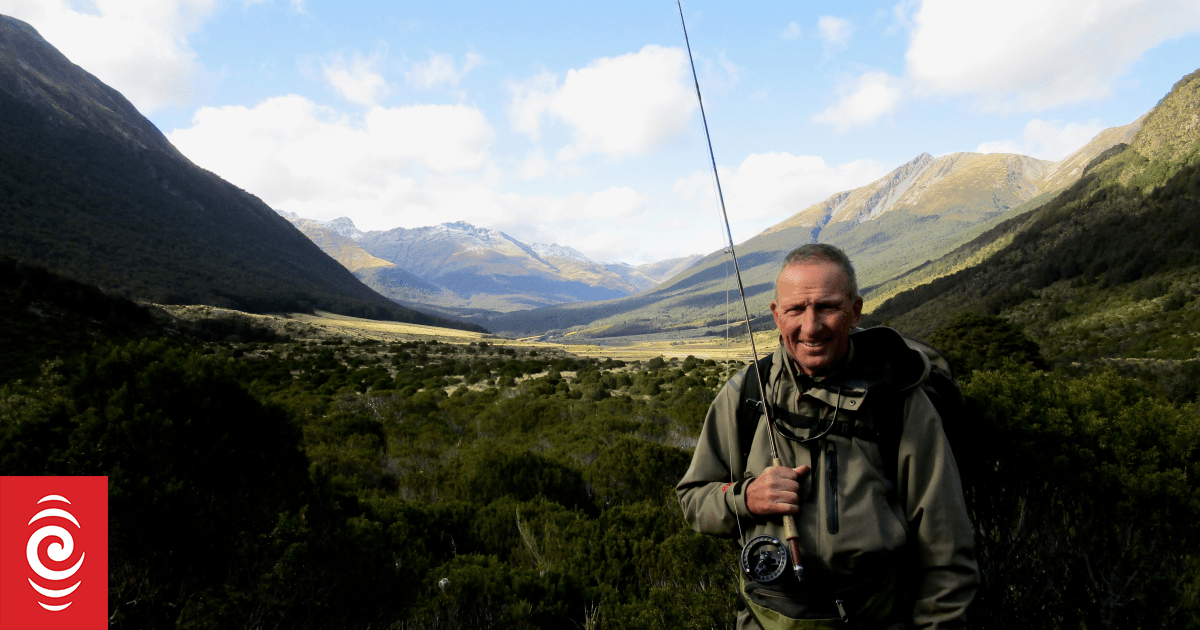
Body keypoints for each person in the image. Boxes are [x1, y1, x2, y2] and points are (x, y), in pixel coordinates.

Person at [676, 244, 978, 630]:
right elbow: (693, 499)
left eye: (827, 307)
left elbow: (946, 551)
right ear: (776, 315)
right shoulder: (745, 395)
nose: (811, 326)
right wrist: (746, 498)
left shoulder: (899, 400)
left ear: (855, 311)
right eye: (795, 309)